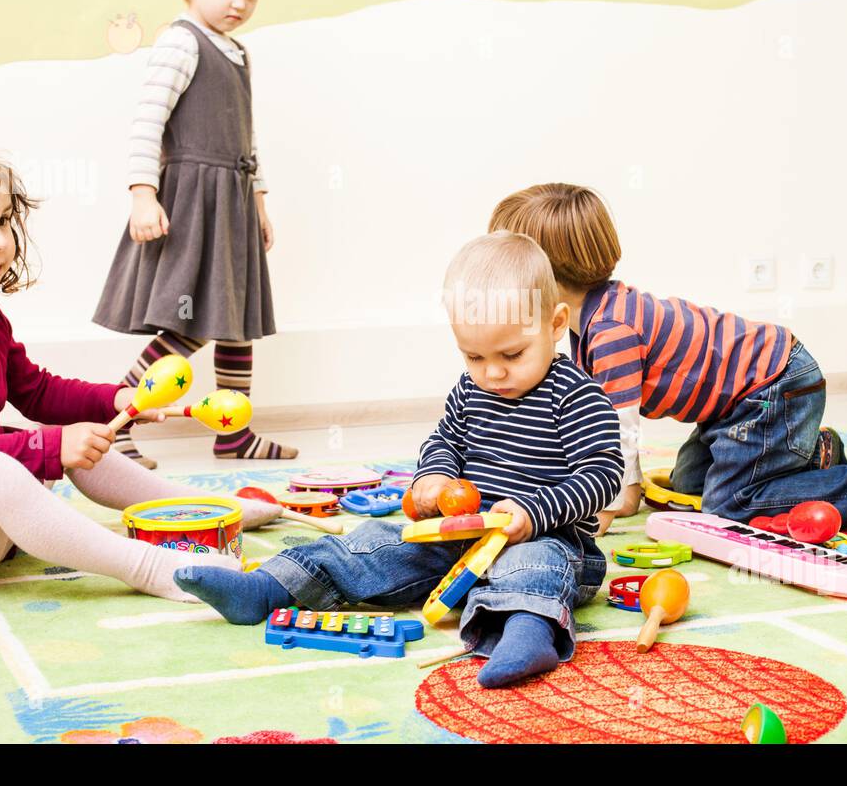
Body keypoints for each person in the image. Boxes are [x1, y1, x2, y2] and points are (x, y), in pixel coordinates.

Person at [0, 141, 284, 608]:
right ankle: (148, 567)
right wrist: (53, 446)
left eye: (4, 220)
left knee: (60, 440)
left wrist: (116, 400)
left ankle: (197, 508)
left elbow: (36, 391)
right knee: (4, 462)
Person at [175, 232, 623, 688]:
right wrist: (434, 476)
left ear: (554, 324)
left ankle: (528, 634)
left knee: (533, 564)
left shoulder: (576, 396)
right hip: (461, 534)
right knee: (377, 544)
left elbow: (604, 476)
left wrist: (534, 513)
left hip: (554, 542)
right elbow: (445, 440)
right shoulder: (472, 390)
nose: (493, 372)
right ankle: (268, 588)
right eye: (474, 356)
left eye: (512, 354)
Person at [490, 182, 847, 536]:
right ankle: (816, 455)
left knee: (727, 504)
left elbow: (619, 426)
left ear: (545, 271)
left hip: (773, 388)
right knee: (689, 485)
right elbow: (585, 413)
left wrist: (617, 497)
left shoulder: (611, 331)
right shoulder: (580, 322)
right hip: (736, 405)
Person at [93, 0, 294, 468]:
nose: (240, 3)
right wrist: (142, 191)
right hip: (193, 203)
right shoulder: (181, 44)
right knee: (190, 322)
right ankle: (119, 417)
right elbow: (147, 123)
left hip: (232, 201)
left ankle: (235, 433)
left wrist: (258, 200)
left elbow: (247, 135)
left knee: (237, 321)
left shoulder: (238, 52)